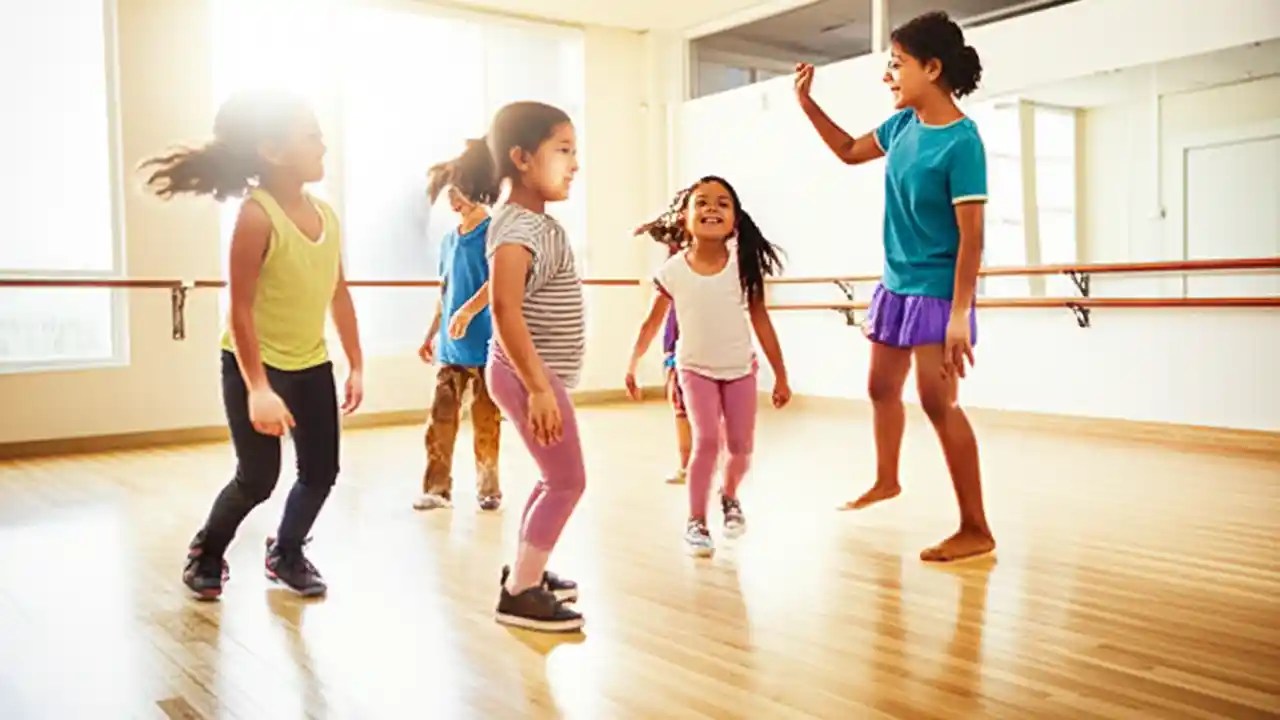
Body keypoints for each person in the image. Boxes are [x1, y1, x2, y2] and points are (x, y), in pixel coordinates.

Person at [142, 90, 364, 599]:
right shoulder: (256, 216)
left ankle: (285, 551)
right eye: (311, 136)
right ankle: (209, 548)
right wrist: (258, 388)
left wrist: (356, 363)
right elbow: (239, 309)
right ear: (272, 151)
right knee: (258, 477)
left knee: (321, 472)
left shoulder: (327, 217)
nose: (322, 144)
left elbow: (338, 291)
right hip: (253, 367)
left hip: (311, 365)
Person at [794, 10, 995, 563]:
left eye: (896, 64)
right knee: (881, 388)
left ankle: (975, 527)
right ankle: (887, 480)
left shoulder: (963, 142)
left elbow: (971, 239)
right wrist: (808, 104)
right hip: (896, 285)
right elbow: (848, 151)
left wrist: (959, 315)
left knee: (937, 401)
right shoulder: (903, 126)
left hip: (937, 291)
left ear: (932, 69)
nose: (888, 76)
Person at [625, 176, 791, 557]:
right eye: (702, 202)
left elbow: (761, 321)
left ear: (735, 219)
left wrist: (781, 374)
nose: (712, 208)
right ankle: (696, 522)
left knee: (741, 448)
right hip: (694, 368)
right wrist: (632, 364)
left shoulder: (743, 266)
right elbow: (651, 323)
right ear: (685, 217)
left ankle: (729, 496)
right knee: (706, 442)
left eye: (722, 203)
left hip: (739, 370)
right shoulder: (673, 271)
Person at [482, 101, 586, 632]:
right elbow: (505, 309)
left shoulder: (537, 223)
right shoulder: (518, 225)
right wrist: (539, 388)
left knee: (552, 478)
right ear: (522, 158)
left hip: (534, 374)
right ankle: (520, 592)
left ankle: (527, 570)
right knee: (568, 481)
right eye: (563, 150)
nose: (574, 164)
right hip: (528, 375)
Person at [415, 139, 502, 512]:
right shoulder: (450, 240)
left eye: (459, 193)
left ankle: (489, 488)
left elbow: (497, 281)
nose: (454, 201)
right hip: (451, 348)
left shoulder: (495, 232)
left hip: (486, 345)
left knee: (486, 422)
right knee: (441, 420)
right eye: (448, 195)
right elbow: (445, 289)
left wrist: (468, 312)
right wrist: (431, 332)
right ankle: (437, 488)